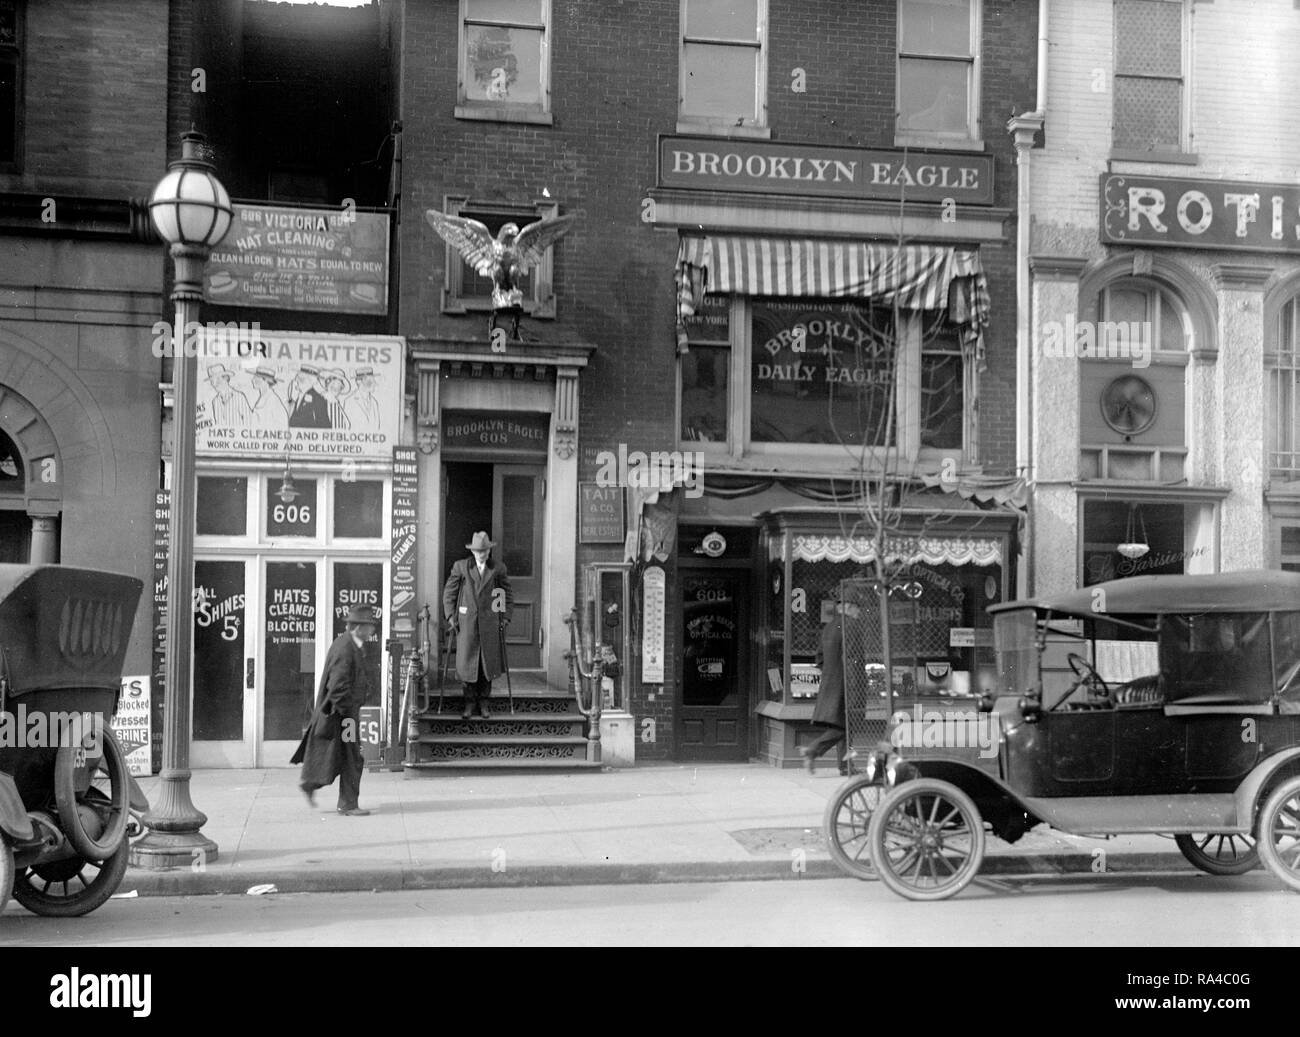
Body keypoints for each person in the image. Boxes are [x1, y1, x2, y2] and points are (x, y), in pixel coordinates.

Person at [291, 604, 377, 815]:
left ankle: (311, 784)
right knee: (352, 757)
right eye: (369, 626)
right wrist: (349, 713)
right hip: (345, 717)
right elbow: (337, 686)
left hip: (344, 715)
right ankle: (348, 804)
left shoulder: (348, 644)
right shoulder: (345, 648)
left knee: (344, 756)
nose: (372, 631)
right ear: (358, 627)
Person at [442, 531, 514, 720]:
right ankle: (469, 703)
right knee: (467, 664)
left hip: (490, 624)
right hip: (467, 624)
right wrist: (451, 616)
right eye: (478, 551)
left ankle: (484, 703)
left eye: (484, 551)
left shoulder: (497, 568)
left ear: (489, 551)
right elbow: (450, 592)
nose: (481, 554)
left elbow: (502, 592)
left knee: (486, 665)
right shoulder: (462, 567)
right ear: (473, 551)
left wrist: (503, 617)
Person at [799, 595, 859, 775]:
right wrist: (856, 684)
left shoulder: (828, 627)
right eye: (857, 608)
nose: (859, 612)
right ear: (848, 607)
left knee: (842, 725)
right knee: (847, 725)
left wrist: (831, 674)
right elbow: (853, 658)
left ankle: (845, 766)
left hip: (830, 684)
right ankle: (813, 750)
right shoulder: (851, 626)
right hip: (848, 684)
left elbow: (819, 658)